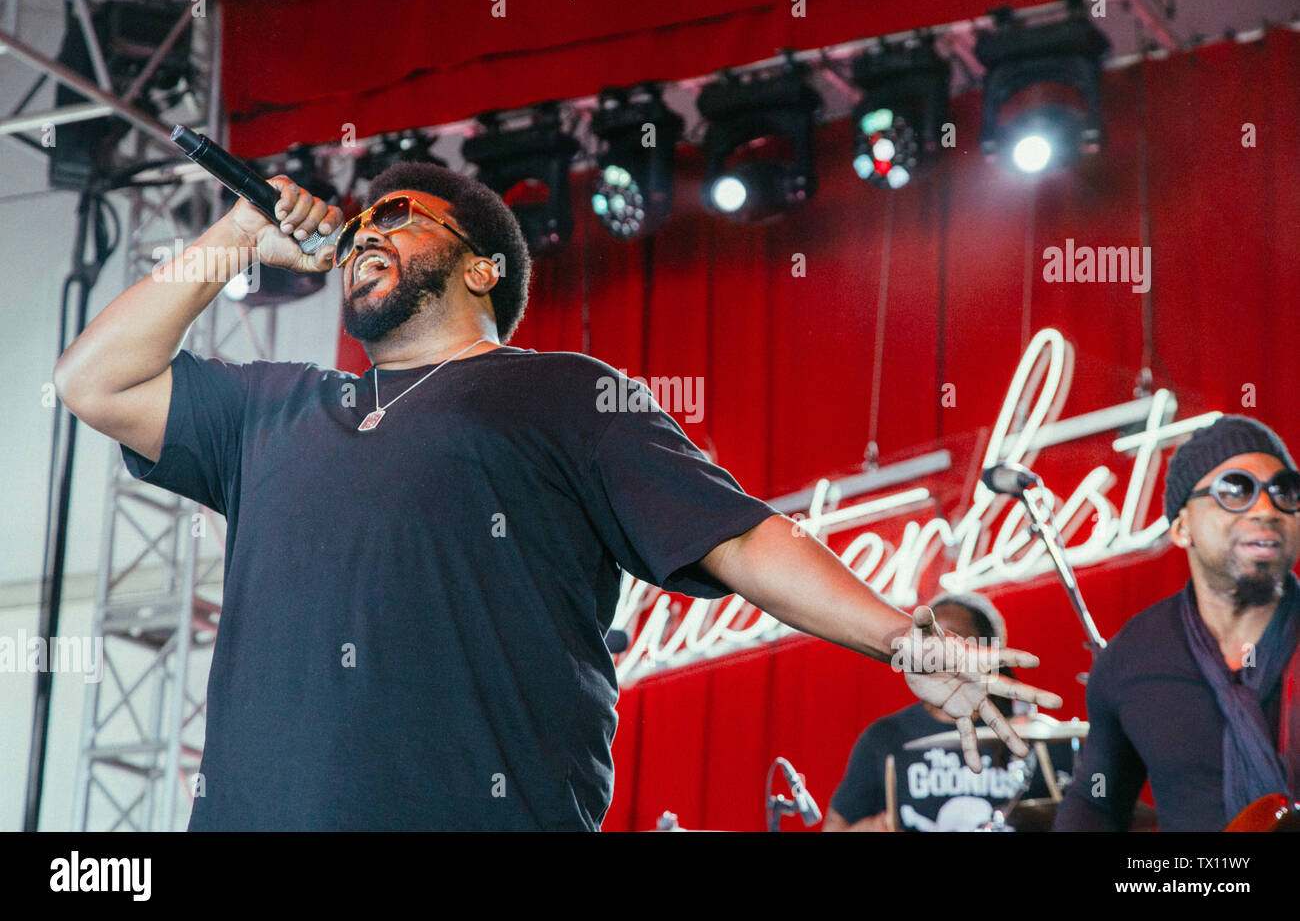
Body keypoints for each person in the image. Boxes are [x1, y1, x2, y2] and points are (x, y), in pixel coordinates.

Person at [54, 162, 1060, 830]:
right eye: (358, 222)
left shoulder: (564, 391)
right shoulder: (275, 405)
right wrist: (236, 233)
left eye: (399, 218)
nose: (367, 230)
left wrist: (903, 638)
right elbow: (93, 380)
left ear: (483, 267)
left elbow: (745, 538)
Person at [1054, 415, 1300, 831]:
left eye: (1285, 492)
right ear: (1182, 526)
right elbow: (1097, 799)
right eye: (1235, 490)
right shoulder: (1132, 659)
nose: (1265, 509)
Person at [824, 593, 1073, 832]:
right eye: (929, 639)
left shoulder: (1038, 738)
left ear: (989, 651)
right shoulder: (885, 738)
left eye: (956, 639)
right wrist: (871, 828)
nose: (938, 652)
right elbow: (834, 827)